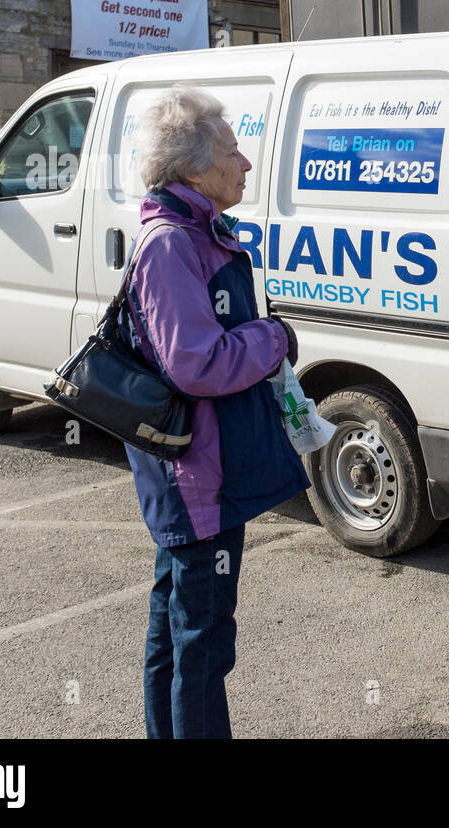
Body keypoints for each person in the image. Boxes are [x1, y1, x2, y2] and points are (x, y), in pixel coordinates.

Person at [125, 84, 309, 736]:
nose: (247, 163)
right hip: (195, 479)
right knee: (201, 639)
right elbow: (195, 363)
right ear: (196, 169)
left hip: (194, 473)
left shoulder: (193, 233)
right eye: (234, 152)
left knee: (178, 627)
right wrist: (274, 338)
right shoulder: (173, 245)